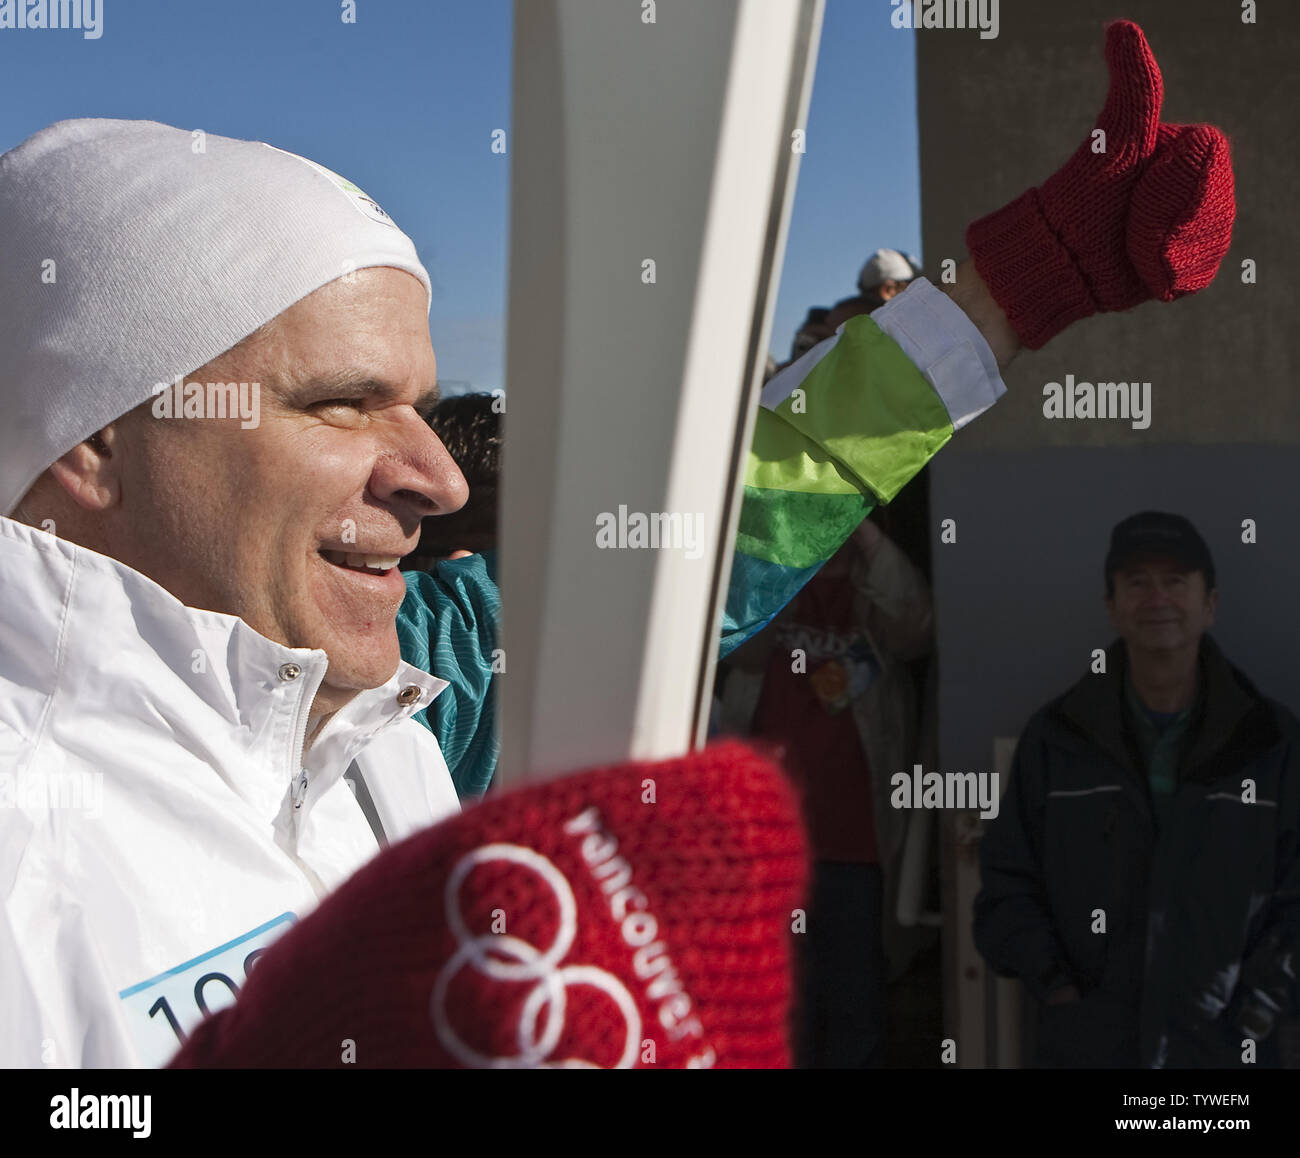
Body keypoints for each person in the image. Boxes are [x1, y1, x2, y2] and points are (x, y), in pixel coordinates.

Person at [2, 18, 1235, 1067]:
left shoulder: (391, 697)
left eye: (421, 409)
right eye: (339, 402)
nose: (434, 476)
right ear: (93, 440)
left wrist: (1014, 293)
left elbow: (687, 555)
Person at [974, 513, 1300, 1068]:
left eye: (1176, 581)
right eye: (1137, 582)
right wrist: (1060, 992)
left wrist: (1257, 1011)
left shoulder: (1271, 743)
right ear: (1112, 606)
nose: (1157, 598)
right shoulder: (1057, 740)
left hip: (1222, 1059)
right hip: (1089, 1051)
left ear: (1209, 604)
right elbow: (1007, 889)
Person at [718, 518, 933, 1067]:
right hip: (764, 847)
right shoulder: (775, 592)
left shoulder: (874, 604)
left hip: (852, 848)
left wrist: (867, 538)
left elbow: (918, 624)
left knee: (854, 1005)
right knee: (777, 1005)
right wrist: (787, 550)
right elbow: (732, 641)